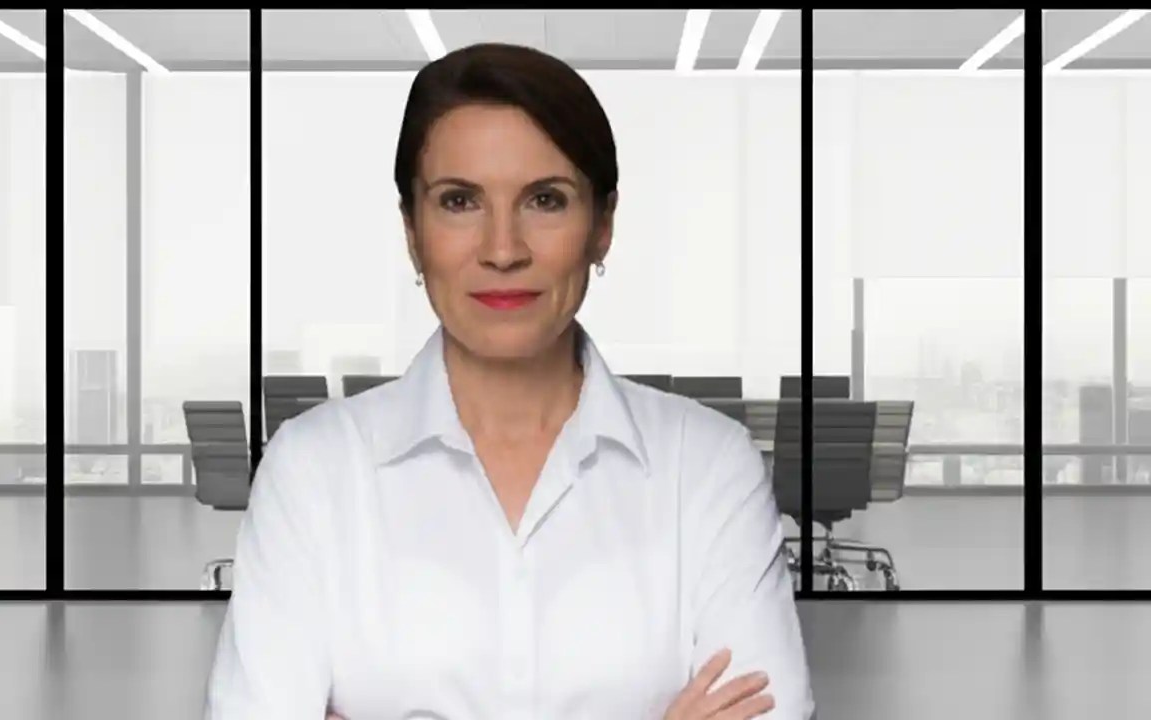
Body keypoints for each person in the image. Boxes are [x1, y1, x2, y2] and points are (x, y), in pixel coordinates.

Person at [204, 41, 815, 720]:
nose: (503, 249)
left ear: (602, 225)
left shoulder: (707, 468)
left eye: (545, 200)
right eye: (460, 201)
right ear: (412, 230)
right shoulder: (312, 470)